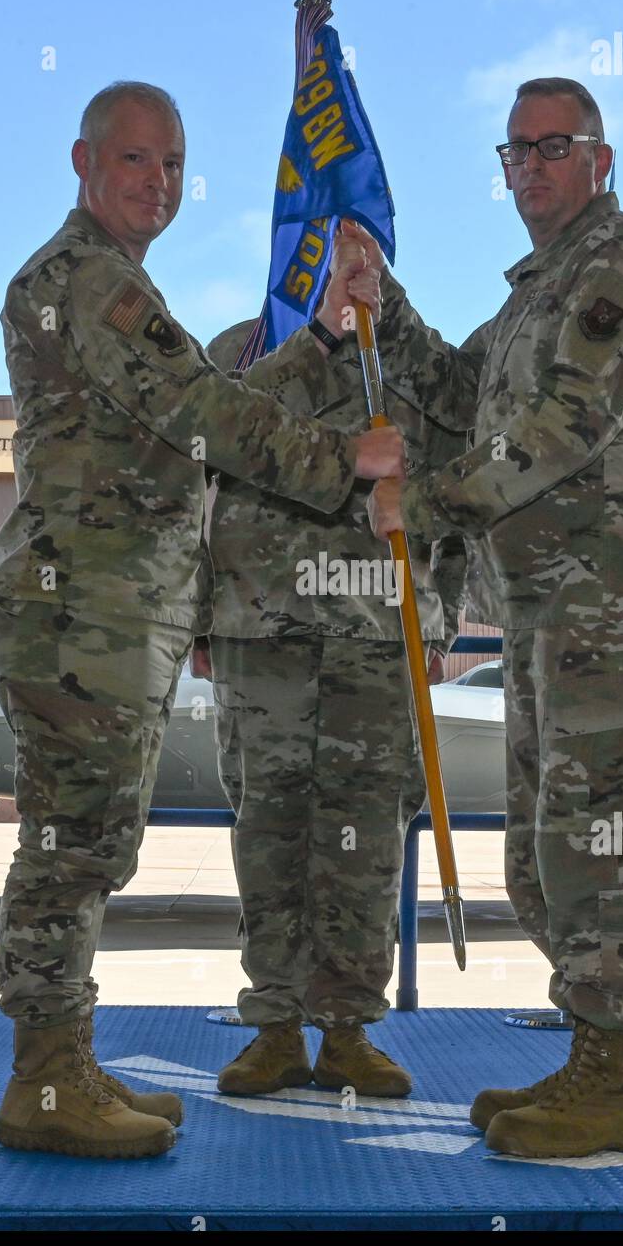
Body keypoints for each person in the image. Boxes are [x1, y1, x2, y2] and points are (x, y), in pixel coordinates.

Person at [0, 81, 398, 1160]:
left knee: (87, 844)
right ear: (84, 162)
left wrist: (316, 340)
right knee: (72, 849)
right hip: (84, 609)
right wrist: (342, 453)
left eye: (172, 165)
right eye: (135, 161)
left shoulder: (115, 285)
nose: (157, 183)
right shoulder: (87, 283)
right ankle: (40, 1081)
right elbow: (208, 411)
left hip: (107, 611)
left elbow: (204, 390)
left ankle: (59, 1062)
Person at [360, 77, 623, 1158]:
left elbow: (564, 428)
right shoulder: (531, 295)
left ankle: (615, 1077)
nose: (532, 166)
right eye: (515, 153)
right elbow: (461, 392)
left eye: (555, 146)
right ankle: (589, 1058)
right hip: (542, 610)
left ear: (602, 160)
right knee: (544, 852)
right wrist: (385, 301)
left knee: (597, 839)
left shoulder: (622, 266)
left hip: (609, 602)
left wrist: (423, 502)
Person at [201, 307, 467, 1100]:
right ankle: (275, 1027)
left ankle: (348, 1029)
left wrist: (439, 615)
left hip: (379, 630)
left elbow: (451, 496)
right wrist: (198, 610)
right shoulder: (242, 351)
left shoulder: (413, 365)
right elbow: (201, 478)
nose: (345, 254)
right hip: (262, 627)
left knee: (369, 834)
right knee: (267, 828)